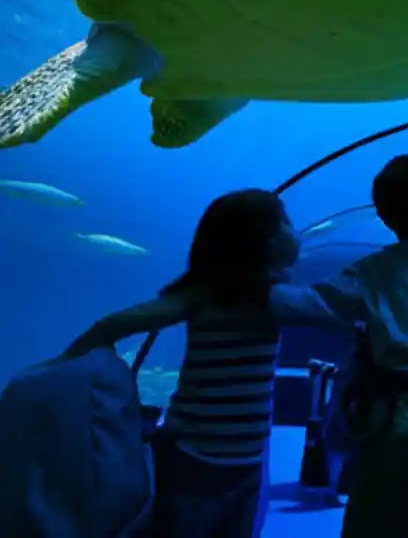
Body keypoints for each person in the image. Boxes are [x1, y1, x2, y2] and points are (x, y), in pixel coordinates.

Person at [269, 154, 408, 538]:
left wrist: (249, 280)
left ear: (383, 215)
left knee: (375, 524)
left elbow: (300, 303)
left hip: (391, 422)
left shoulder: (368, 272)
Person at [62, 188, 303, 538]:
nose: (294, 232)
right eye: (286, 222)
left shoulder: (273, 298)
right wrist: (59, 371)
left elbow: (111, 325)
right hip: (194, 459)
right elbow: (113, 325)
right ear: (262, 240)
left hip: (243, 460)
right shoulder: (212, 298)